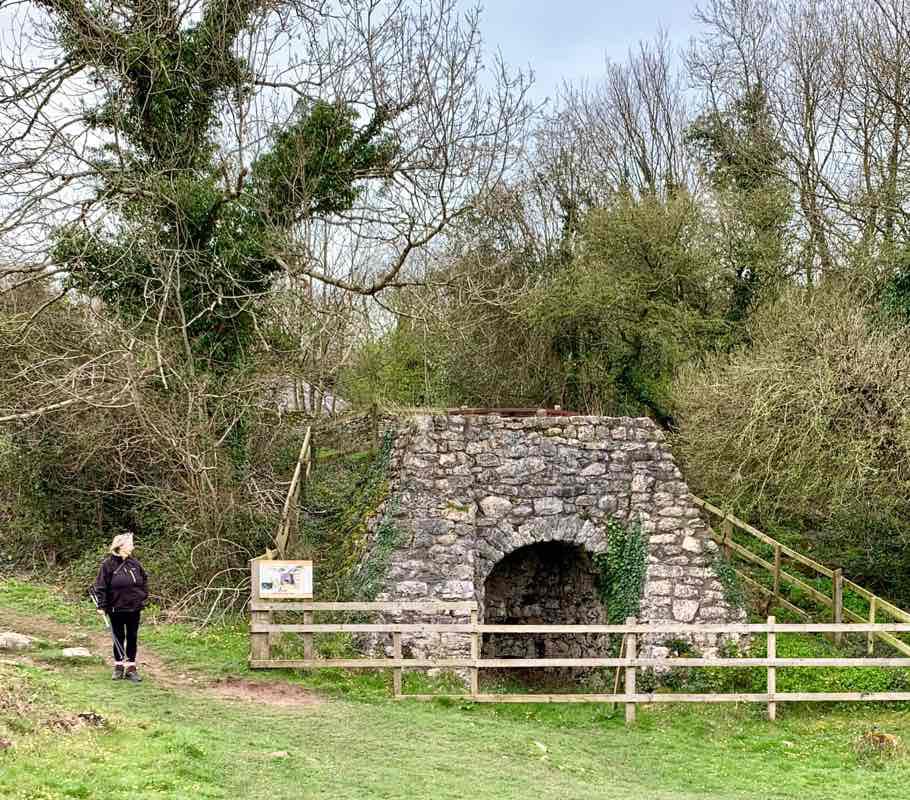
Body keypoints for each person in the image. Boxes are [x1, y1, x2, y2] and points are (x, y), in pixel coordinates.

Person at [91, 532, 149, 683]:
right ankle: (118, 667)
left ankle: (130, 667)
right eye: (130, 543)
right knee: (118, 636)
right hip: (115, 608)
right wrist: (101, 605)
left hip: (134, 608)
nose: (133, 546)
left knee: (132, 636)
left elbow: (144, 580)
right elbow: (101, 586)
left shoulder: (135, 564)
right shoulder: (107, 565)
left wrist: (142, 596)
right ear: (121, 546)